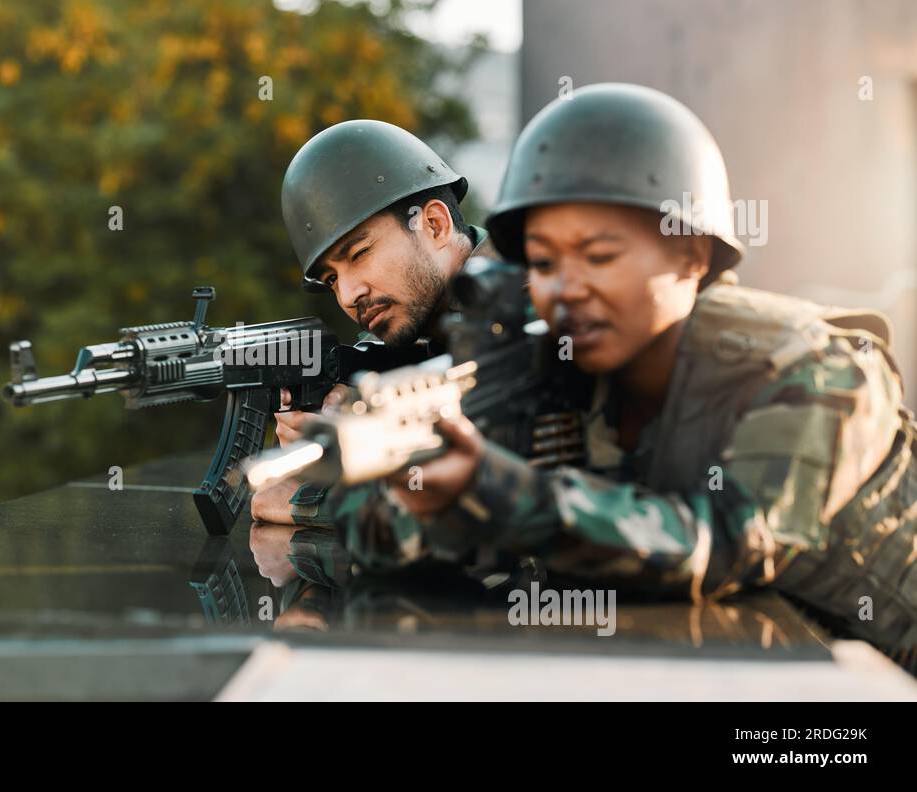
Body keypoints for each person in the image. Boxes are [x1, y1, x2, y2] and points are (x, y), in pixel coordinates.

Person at [335, 83, 917, 660]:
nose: (566, 289)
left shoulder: (813, 369)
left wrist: (498, 488)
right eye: (542, 262)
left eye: (600, 256)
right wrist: (411, 480)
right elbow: (387, 547)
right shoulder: (560, 371)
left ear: (691, 254)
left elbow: (719, 548)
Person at [250, 119, 494, 527]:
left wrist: (314, 496)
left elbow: (501, 501)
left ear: (434, 225)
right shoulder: (412, 332)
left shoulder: (533, 315)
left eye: (359, 254)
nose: (347, 295)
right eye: (331, 279)